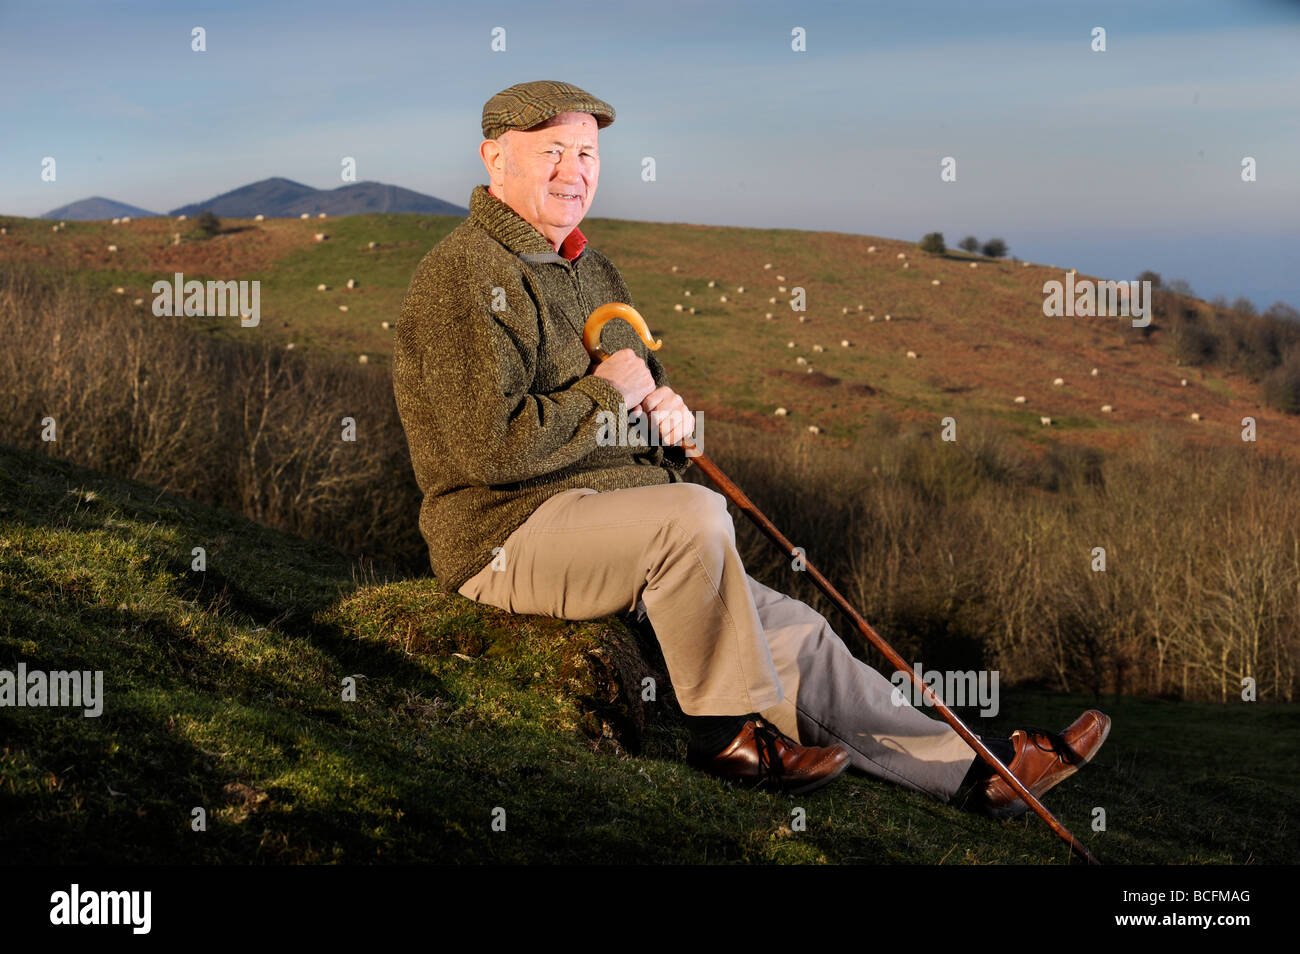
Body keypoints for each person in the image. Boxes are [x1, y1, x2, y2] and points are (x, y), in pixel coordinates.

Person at [392, 80, 1110, 812]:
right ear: (493, 158)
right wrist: (609, 395)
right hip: (505, 534)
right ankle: (725, 739)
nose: (573, 170)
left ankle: (978, 772)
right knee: (694, 519)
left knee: (801, 632)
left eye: (586, 152)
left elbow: (627, 412)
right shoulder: (464, 276)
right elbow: (488, 450)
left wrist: (663, 423)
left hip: (610, 520)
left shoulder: (592, 271)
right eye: (552, 151)